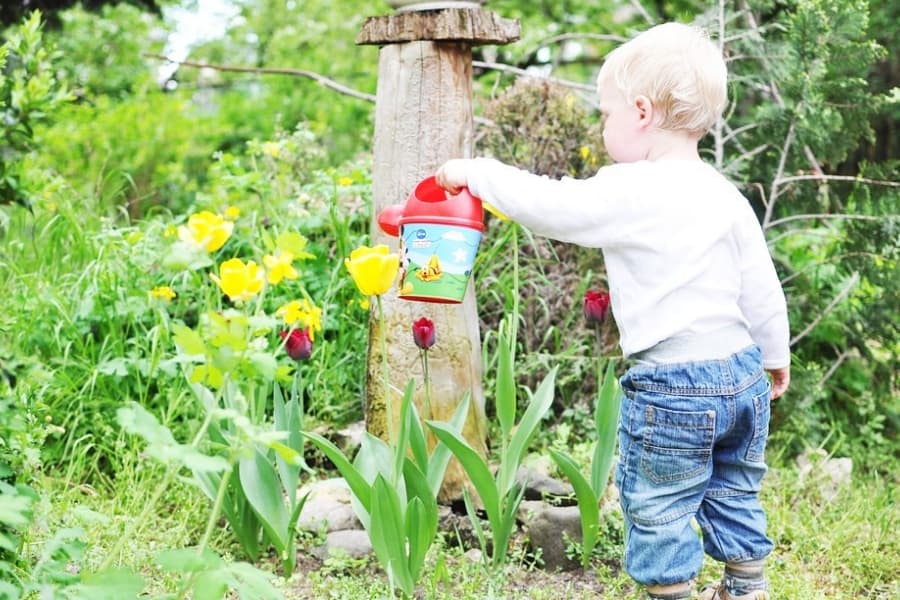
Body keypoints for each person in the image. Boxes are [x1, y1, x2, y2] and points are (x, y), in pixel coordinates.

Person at [435, 21, 789, 600]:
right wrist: (775, 356)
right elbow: (761, 286)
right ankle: (747, 588)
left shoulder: (633, 188)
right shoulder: (724, 194)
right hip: (741, 374)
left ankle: (673, 593)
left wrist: (476, 173)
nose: (604, 127)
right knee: (734, 489)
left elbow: (551, 205)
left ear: (642, 113)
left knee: (660, 502)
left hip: (675, 385)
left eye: (607, 114)